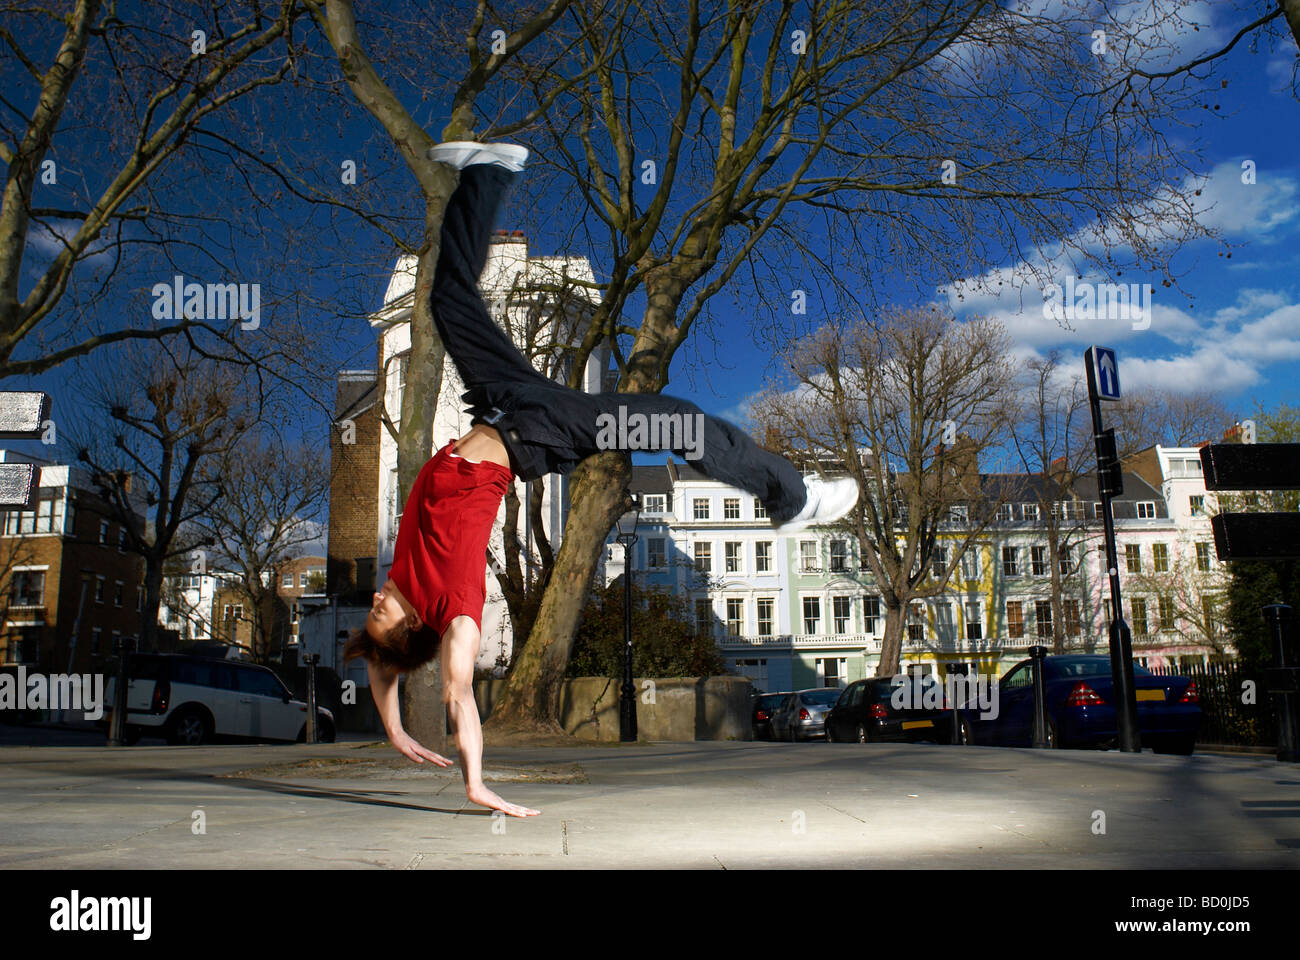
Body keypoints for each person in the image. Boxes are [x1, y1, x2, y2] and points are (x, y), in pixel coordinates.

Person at [345, 141, 859, 818]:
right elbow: (457, 693)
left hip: (502, 395)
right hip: (545, 430)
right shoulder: (456, 613)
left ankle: (488, 171)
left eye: (373, 606)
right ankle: (792, 499)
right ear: (412, 627)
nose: (378, 596)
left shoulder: (403, 590)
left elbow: (381, 675)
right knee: (676, 425)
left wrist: (392, 726)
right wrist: (473, 779)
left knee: (446, 302)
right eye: (383, 612)